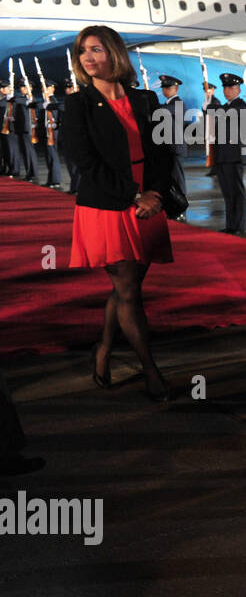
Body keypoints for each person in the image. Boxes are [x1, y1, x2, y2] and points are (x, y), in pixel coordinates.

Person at [63, 25, 174, 402]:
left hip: (148, 201)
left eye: (96, 49)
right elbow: (85, 163)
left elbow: (163, 150)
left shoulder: (146, 99)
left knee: (127, 288)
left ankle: (104, 349)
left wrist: (155, 193)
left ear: (114, 53)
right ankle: (151, 370)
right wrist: (134, 195)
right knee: (128, 289)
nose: (87, 58)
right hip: (107, 205)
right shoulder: (78, 104)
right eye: (82, 51)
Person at [213, 73, 246, 233]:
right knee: (228, 192)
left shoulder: (240, 105)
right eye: (225, 88)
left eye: (231, 87)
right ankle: (231, 224)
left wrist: (210, 105)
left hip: (234, 156)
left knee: (236, 193)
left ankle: (238, 225)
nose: (227, 90)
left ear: (238, 90)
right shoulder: (225, 107)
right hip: (223, 155)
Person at [157, 74, 187, 217]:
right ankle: (173, 208)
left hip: (175, 148)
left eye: (168, 87)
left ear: (176, 89)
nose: (165, 90)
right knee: (170, 180)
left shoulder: (178, 104)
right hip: (167, 148)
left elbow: (163, 110)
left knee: (178, 181)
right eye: (164, 88)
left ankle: (182, 209)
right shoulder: (168, 104)